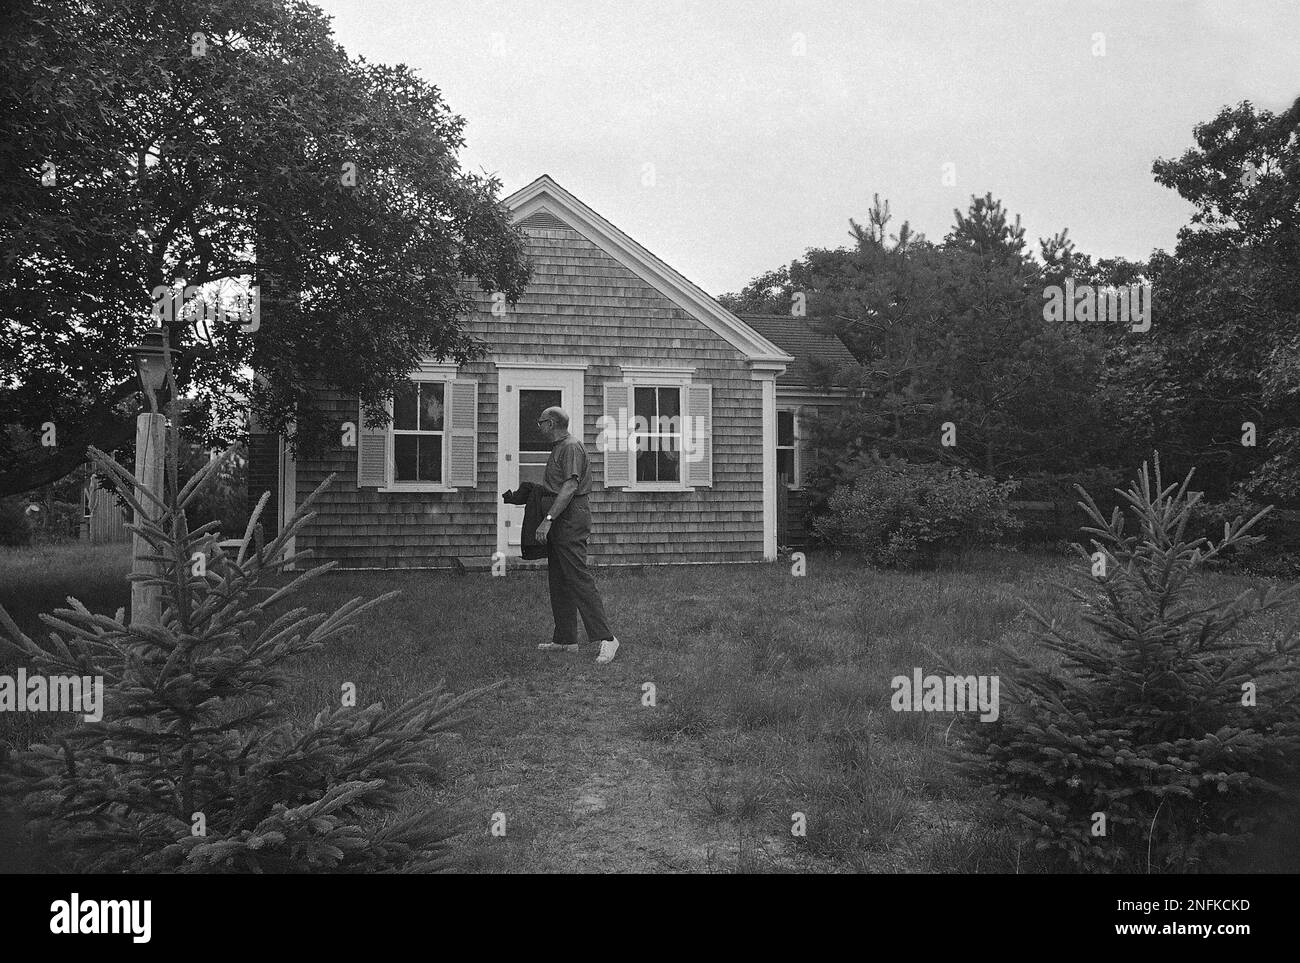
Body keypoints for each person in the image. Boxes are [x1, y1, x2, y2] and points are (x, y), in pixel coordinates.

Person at [534, 406, 620, 664]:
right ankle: (565, 640)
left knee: (578, 577)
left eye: (541, 422)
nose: (538, 427)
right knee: (560, 578)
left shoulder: (571, 447)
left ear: (550, 424)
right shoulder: (559, 447)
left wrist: (548, 519)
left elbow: (570, 485)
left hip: (570, 516)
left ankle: (607, 639)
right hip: (562, 515)